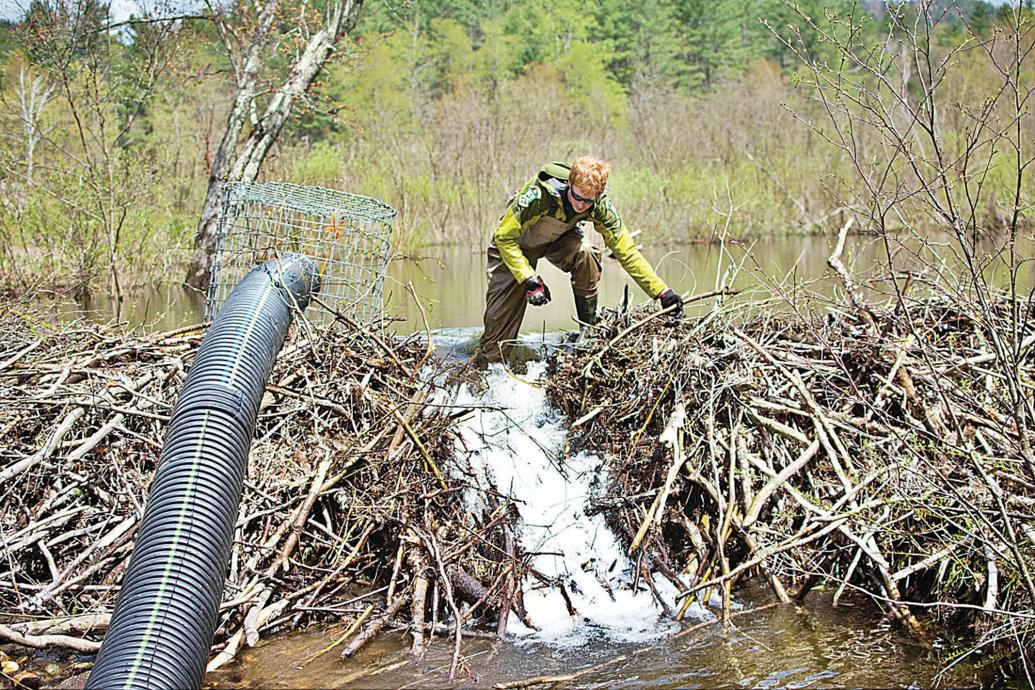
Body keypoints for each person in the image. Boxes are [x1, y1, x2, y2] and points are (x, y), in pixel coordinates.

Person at [474, 156, 683, 366]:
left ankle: (587, 327)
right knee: (495, 346)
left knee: (587, 252)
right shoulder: (538, 195)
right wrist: (529, 278)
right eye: (578, 197)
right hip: (513, 247)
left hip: (559, 239)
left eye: (589, 201)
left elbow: (627, 252)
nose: (581, 206)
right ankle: (484, 372)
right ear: (570, 184)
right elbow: (503, 237)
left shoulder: (600, 206)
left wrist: (662, 292)